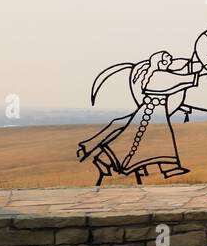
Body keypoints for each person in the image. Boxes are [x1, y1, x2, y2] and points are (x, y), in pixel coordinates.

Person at [77, 51, 198, 184]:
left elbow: (178, 78)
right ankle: (169, 168)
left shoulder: (158, 74)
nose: (170, 63)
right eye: (168, 61)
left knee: (139, 142)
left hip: (153, 113)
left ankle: (105, 161)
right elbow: (181, 80)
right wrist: (200, 70)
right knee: (141, 141)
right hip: (149, 115)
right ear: (161, 62)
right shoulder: (158, 76)